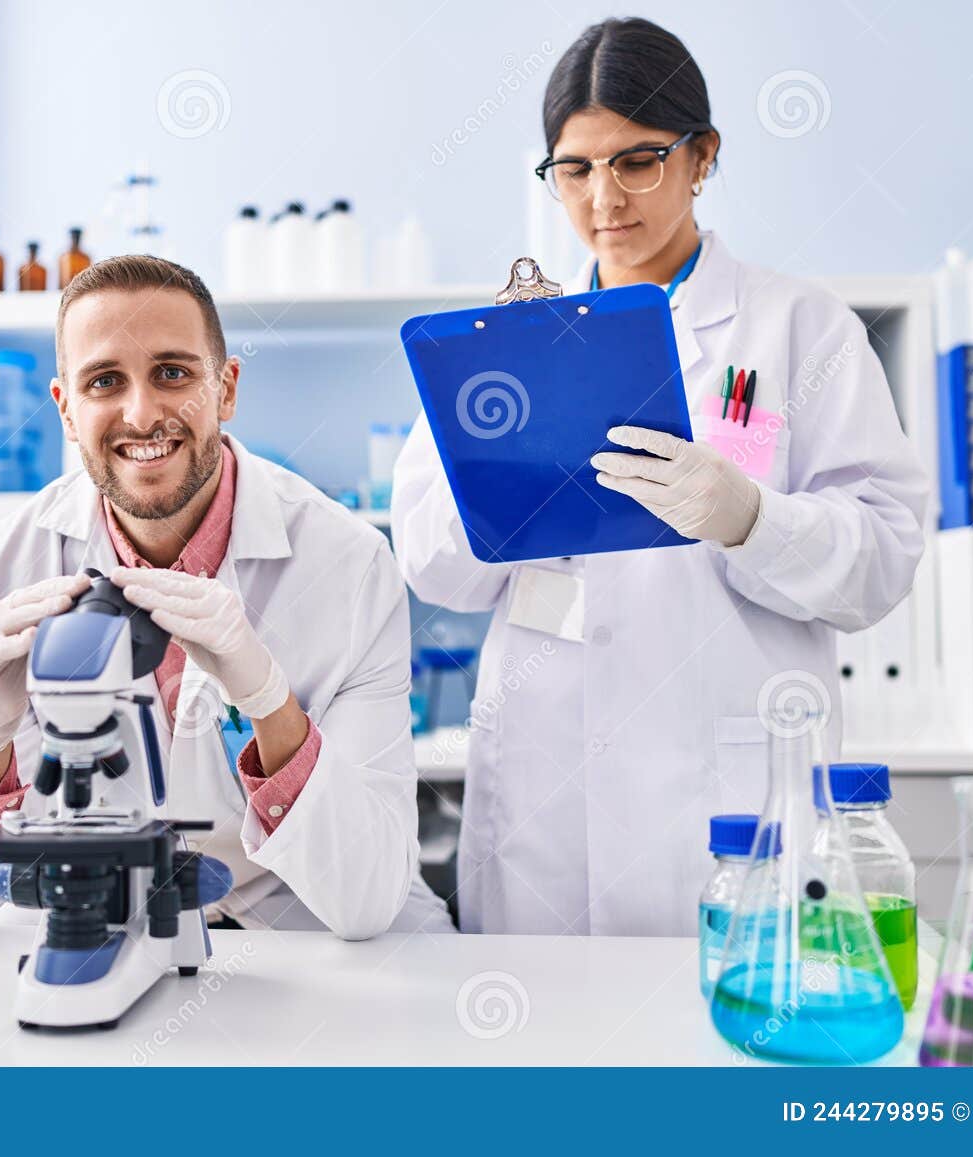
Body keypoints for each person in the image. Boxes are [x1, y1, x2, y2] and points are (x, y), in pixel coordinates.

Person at [392, 17, 929, 937]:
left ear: (702, 156)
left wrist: (752, 518)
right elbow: (437, 568)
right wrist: (495, 483)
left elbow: (881, 557)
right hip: (544, 795)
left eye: (638, 160)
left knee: (720, 1047)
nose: (605, 197)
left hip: (723, 792)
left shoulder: (797, 329)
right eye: (576, 168)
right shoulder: (513, 339)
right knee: (543, 1051)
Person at [0, 254, 452, 938]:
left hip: (303, 938)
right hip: (107, 927)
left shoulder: (350, 563)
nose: (142, 413)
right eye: (105, 381)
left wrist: (270, 706)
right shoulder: (9, 562)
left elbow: (366, 898)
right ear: (66, 409)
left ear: (225, 389)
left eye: (172, 373)